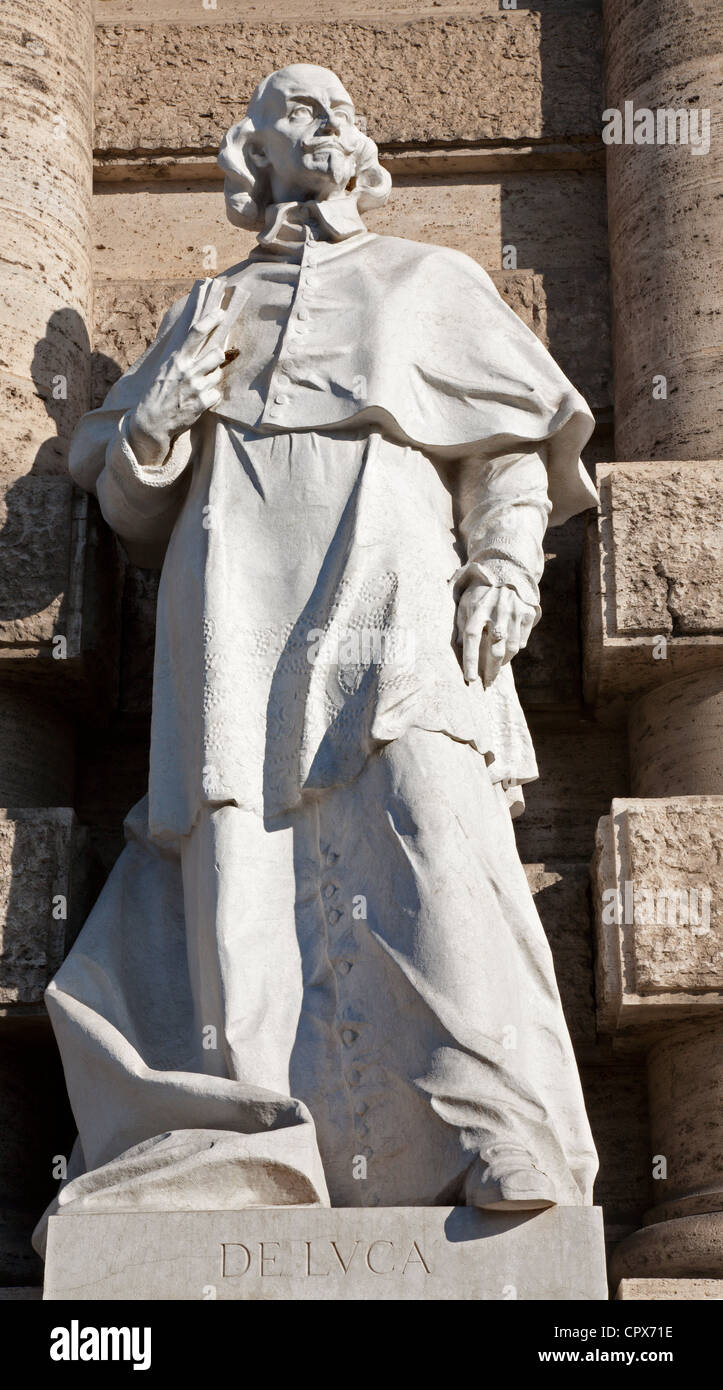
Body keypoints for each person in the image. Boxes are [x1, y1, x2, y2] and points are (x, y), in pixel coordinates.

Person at [35, 64, 599, 1249]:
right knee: (236, 854)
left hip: (390, 588)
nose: (329, 119)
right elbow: (132, 513)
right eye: (299, 107)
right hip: (233, 598)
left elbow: (506, 448)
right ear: (256, 152)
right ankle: (256, 1145)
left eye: (342, 106)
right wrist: (151, 423)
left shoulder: (428, 282)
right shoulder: (208, 309)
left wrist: (503, 563)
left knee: (432, 827)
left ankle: (492, 1122)